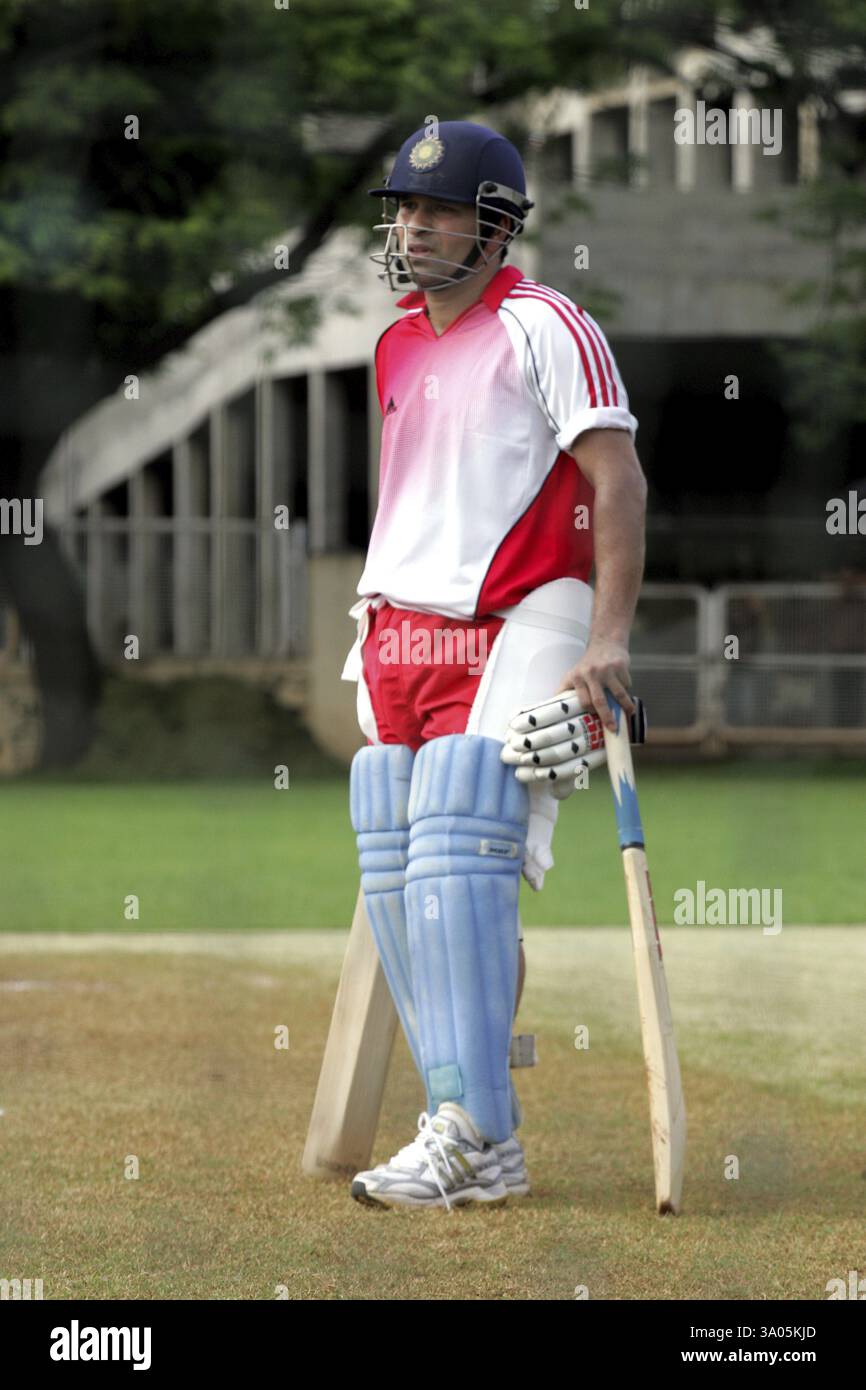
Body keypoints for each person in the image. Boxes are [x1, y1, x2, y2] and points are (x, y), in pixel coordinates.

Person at [340, 120, 647, 1209]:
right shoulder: (394, 344)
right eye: (403, 210)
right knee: (394, 855)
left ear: (497, 225)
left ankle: (469, 1133)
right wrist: (373, 620)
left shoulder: (546, 324)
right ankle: (470, 1129)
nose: (413, 228)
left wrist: (608, 638)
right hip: (403, 627)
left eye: (438, 210)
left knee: (460, 861)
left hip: (522, 615)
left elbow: (617, 480)